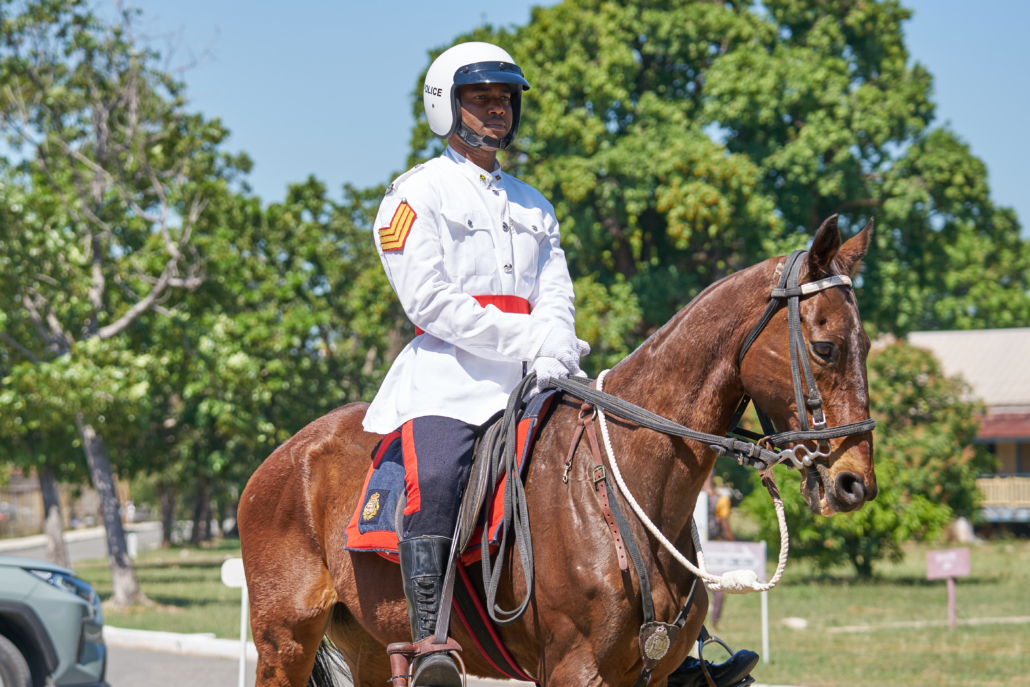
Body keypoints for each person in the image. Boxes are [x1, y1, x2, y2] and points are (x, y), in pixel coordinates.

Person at [364, 40, 756, 687]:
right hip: (449, 380)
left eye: (504, 99)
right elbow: (430, 301)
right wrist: (530, 338)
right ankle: (432, 639)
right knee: (433, 474)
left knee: (634, 463)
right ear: (445, 107)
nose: (497, 109)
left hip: (541, 377)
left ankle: (672, 636)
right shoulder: (413, 196)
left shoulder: (533, 204)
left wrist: (555, 342)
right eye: (481, 98)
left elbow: (556, 292)